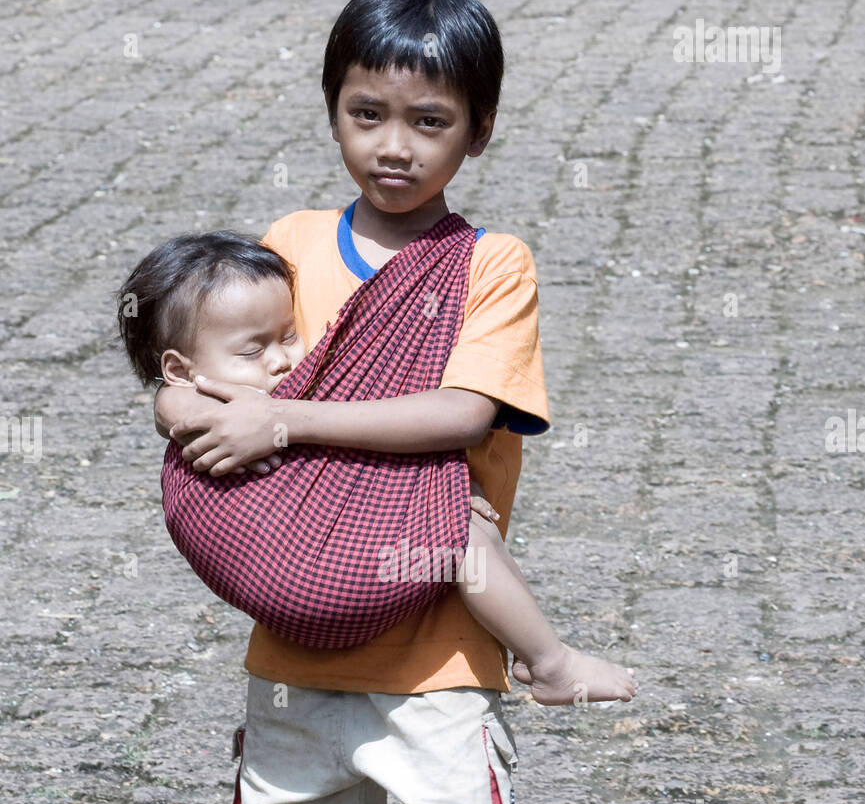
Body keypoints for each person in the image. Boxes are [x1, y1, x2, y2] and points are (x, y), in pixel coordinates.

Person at [151, 0, 638, 804]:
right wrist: (192, 406)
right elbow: (208, 366)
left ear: (480, 130)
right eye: (368, 112)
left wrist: (285, 420)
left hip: (435, 654)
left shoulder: (491, 264)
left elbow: (460, 413)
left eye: (431, 121)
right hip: (296, 643)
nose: (394, 146)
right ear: (331, 110)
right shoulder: (294, 245)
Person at [120, 229, 638, 705]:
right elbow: (175, 405)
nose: (280, 361)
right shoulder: (211, 405)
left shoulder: (268, 393)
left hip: (321, 585)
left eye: (287, 336)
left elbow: (437, 428)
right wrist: (178, 406)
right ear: (180, 369)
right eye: (253, 350)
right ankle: (550, 663)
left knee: (463, 528)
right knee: (465, 541)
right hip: (303, 569)